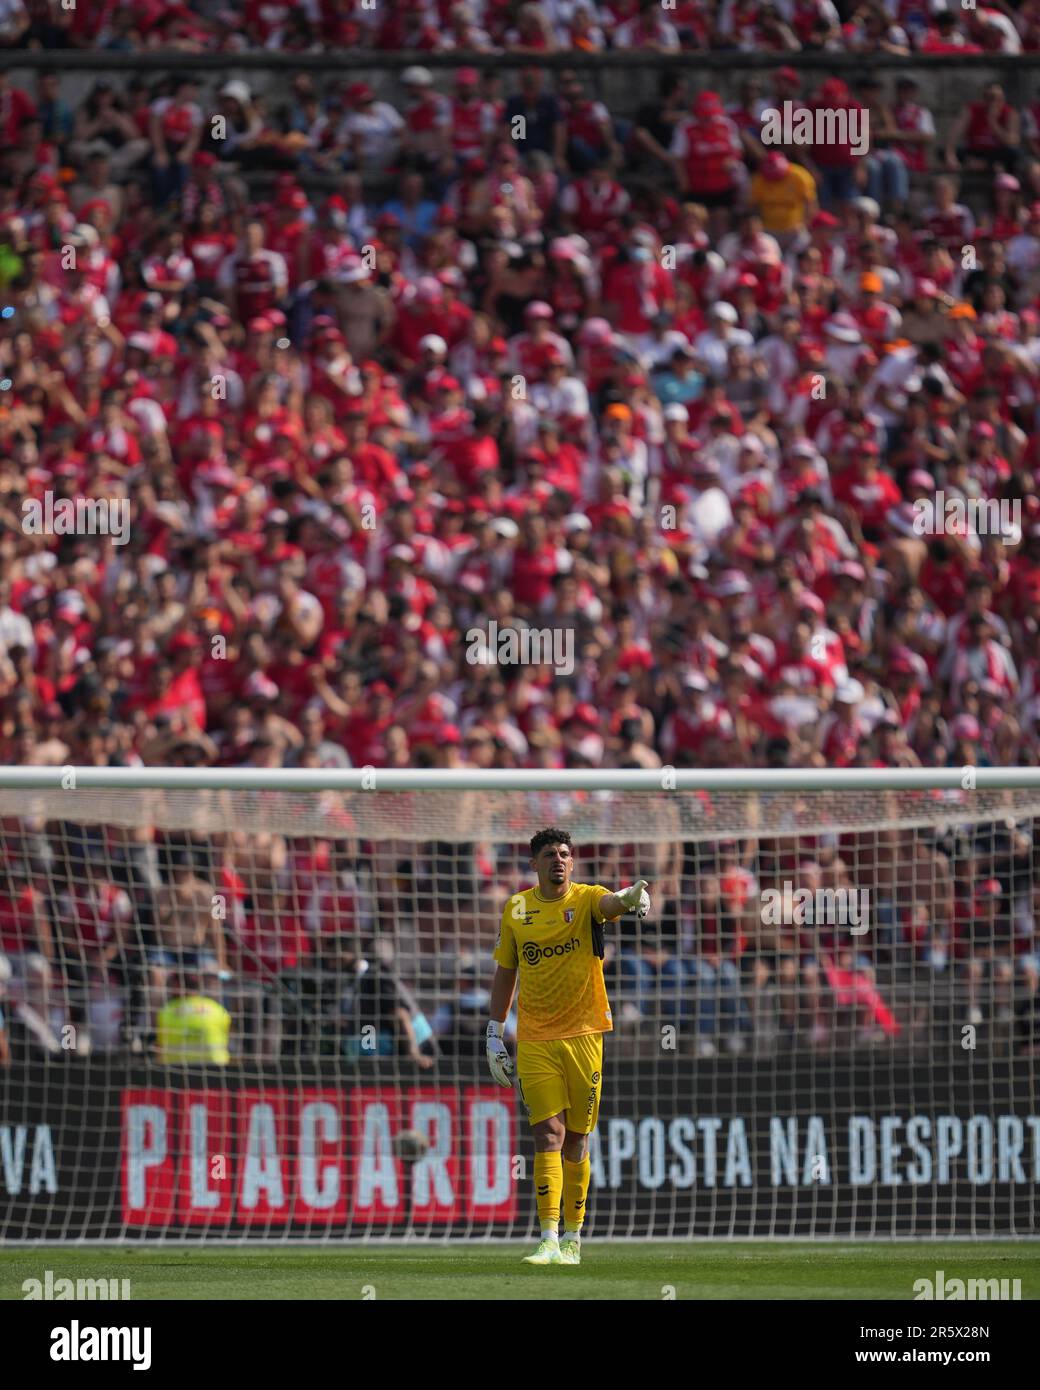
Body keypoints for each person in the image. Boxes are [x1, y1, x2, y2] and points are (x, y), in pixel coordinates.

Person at [485, 826, 650, 1266]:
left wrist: (630, 898)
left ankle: (575, 1238)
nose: (558, 860)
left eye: (564, 854)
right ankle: (548, 1237)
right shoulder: (516, 909)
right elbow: (506, 972)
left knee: (577, 1139)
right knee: (547, 1133)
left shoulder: (586, 899)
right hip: (535, 1039)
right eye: (549, 854)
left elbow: (611, 903)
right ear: (535, 864)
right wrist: (493, 1031)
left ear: (571, 862)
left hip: (585, 1035)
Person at [156, 965, 232, 1064]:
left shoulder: (167, 1011)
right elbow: (228, 1039)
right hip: (216, 1069)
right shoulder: (217, 1009)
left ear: (177, 984)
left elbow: (159, 1047)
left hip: (176, 1071)